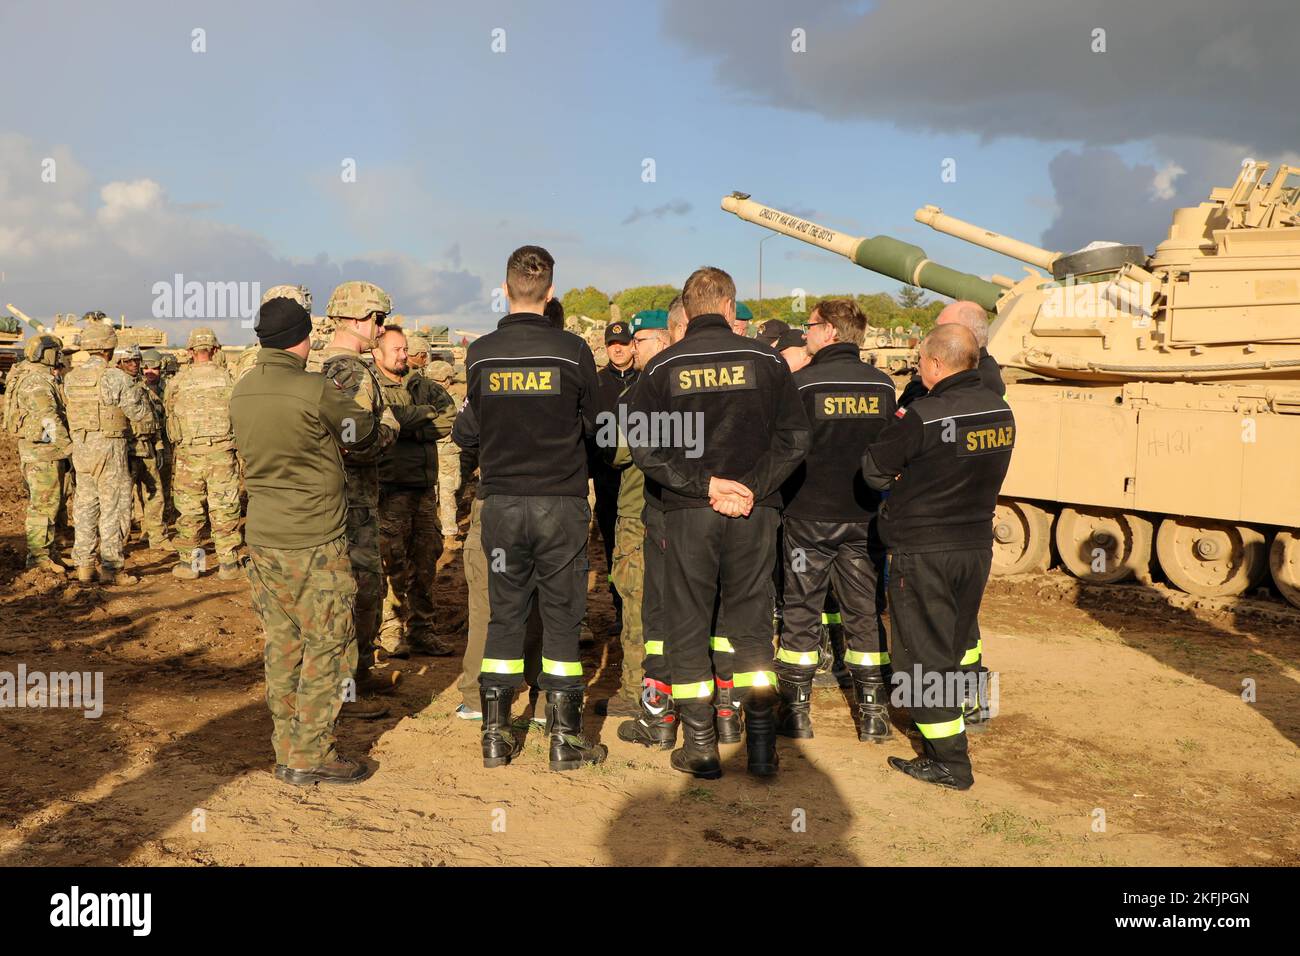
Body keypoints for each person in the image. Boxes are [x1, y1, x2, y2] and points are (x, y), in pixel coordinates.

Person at [629, 266, 810, 779]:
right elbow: (795, 439)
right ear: (731, 306)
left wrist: (705, 485)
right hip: (755, 513)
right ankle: (758, 748)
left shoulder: (662, 367)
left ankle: (702, 747)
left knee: (686, 624)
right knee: (752, 627)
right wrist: (750, 485)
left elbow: (647, 449)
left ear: (686, 311)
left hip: (688, 514)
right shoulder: (768, 361)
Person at [452, 244, 607, 771]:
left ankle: (495, 738)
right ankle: (565, 742)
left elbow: (465, 430)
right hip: (560, 504)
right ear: (550, 293)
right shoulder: (573, 351)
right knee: (563, 616)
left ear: (505, 286)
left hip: (501, 505)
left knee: (505, 613)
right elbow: (598, 426)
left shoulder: (481, 354)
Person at [230, 284, 377, 786]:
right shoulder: (314, 389)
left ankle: (287, 746)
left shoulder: (243, 387)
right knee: (330, 641)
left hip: (265, 536)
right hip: (316, 537)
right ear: (302, 339)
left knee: (284, 642)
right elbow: (362, 433)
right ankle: (311, 752)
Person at [862, 324, 1015, 790]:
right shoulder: (1000, 410)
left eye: (921, 360)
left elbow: (873, 470)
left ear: (935, 364)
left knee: (920, 657)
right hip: (975, 548)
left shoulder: (922, 416)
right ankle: (964, 713)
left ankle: (950, 760)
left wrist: (907, 485)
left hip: (924, 552)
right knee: (954, 639)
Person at [777, 299, 896, 742]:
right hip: (864, 519)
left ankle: (796, 715)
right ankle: (873, 717)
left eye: (808, 327)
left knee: (801, 612)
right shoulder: (883, 386)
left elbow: (788, 451)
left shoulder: (803, 384)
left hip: (808, 519)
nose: (804, 333)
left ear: (828, 331)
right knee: (864, 613)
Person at [307, 282, 415, 699]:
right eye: (377, 319)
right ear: (355, 319)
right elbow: (354, 441)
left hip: (324, 495)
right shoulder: (349, 369)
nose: (380, 327)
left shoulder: (313, 362)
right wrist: (389, 427)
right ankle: (351, 675)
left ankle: (349, 671)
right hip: (352, 498)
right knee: (364, 585)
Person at [594, 309, 670, 718]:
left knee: (638, 601)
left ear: (660, 341)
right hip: (689, 512)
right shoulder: (690, 385)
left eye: (639, 341)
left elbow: (617, 451)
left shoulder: (639, 394)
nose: (632, 348)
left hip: (639, 510)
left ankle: (635, 689)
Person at [372, 326, 457, 658]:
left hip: (423, 488)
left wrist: (410, 431)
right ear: (377, 353)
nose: (403, 355)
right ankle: (390, 631)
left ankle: (422, 630)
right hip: (389, 488)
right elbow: (380, 420)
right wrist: (417, 418)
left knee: (426, 557)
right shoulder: (372, 387)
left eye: (405, 349)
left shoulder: (422, 385)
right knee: (389, 560)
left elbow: (449, 418)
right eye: (396, 349)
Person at [63, 323, 154, 585]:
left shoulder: (71, 378)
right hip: (109, 446)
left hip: (81, 446)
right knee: (113, 506)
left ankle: (84, 566)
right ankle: (112, 568)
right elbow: (139, 414)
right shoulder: (116, 378)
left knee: (85, 506)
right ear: (109, 348)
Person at [164, 328, 244, 580]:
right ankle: (228, 564)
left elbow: (169, 416)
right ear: (215, 350)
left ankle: (193, 565)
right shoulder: (228, 379)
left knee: (191, 512)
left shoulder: (177, 382)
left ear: (190, 351)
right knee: (224, 508)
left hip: (189, 454)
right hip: (222, 453)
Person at [7, 334, 71, 571]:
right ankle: (39, 558)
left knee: (49, 505)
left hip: (39, 450)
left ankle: (49, 552)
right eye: (56, 350)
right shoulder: (37, 381)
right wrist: (69, 448)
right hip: (43, 452)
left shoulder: (28, 375)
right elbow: (49, 420)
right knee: (43, 506)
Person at [593, 318, 638, 628]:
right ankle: (619, 604)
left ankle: (640, 606)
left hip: (640, 481)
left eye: (623, 343)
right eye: (612, 344)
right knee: (612, 546)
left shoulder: (647, 380)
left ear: (633, 345)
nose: (618, 349)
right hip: (607, 480)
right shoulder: (596, 384)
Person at [898, 300, 1004, 407]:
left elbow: (910, 414)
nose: (932, 335)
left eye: (941, 329)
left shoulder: (978, 380)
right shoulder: (973, 370)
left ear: (964, 335)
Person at [119, 346, 168, 551]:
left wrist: (157, 446)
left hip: (146, 448)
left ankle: (157, 536)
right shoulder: (116, 386)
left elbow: (153, 418)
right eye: (129, 361)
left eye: (136, 361)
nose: (135, 365)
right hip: (125, 450)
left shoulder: (143, 389)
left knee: (155, 494)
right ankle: (120, 540)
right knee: (124, 498)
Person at [140, 349, 175, 532]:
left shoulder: (169, 387)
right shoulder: (136, 387)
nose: (149, 372)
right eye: (145, 368)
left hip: (165, 441)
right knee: (144, 487)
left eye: (153, 368)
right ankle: (145, 525)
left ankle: (164, 521)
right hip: (144, 442)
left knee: (165, 482)